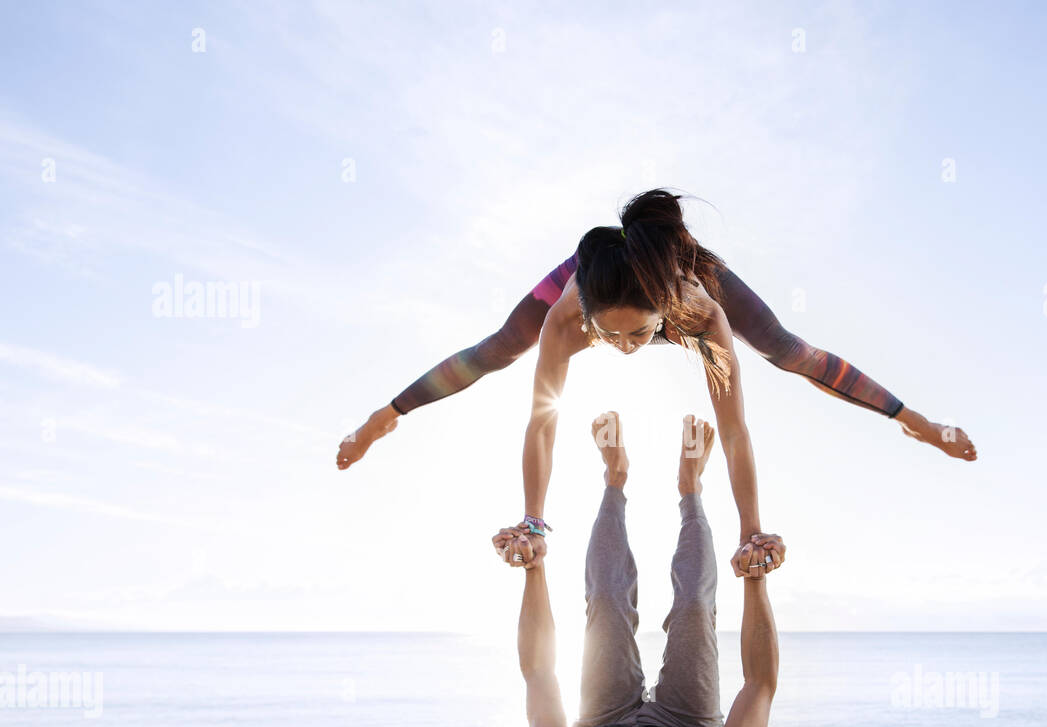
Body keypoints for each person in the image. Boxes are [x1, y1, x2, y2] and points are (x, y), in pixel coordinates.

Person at [338, 188, 975, 578]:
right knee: (498, 348)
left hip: (676, 275)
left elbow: (734, 431)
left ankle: (916, 422)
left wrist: (751, 529)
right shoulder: (566, 316)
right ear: (585, 316)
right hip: (601, 273)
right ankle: (385, 416)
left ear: (664, 317)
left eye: (638, 336)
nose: (623, 348)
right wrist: (533, 521)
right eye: (609, 336)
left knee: (786, 351)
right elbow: (542, 423)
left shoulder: (701, 312)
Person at [499, 411, 782, 727]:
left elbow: (538, 669)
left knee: (607, 601)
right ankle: (691, 487)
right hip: (687, 726)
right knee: (693, 607)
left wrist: (533, 567)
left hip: (602, 715)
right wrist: (755, 576)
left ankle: (615, 478)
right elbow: (760, 683)